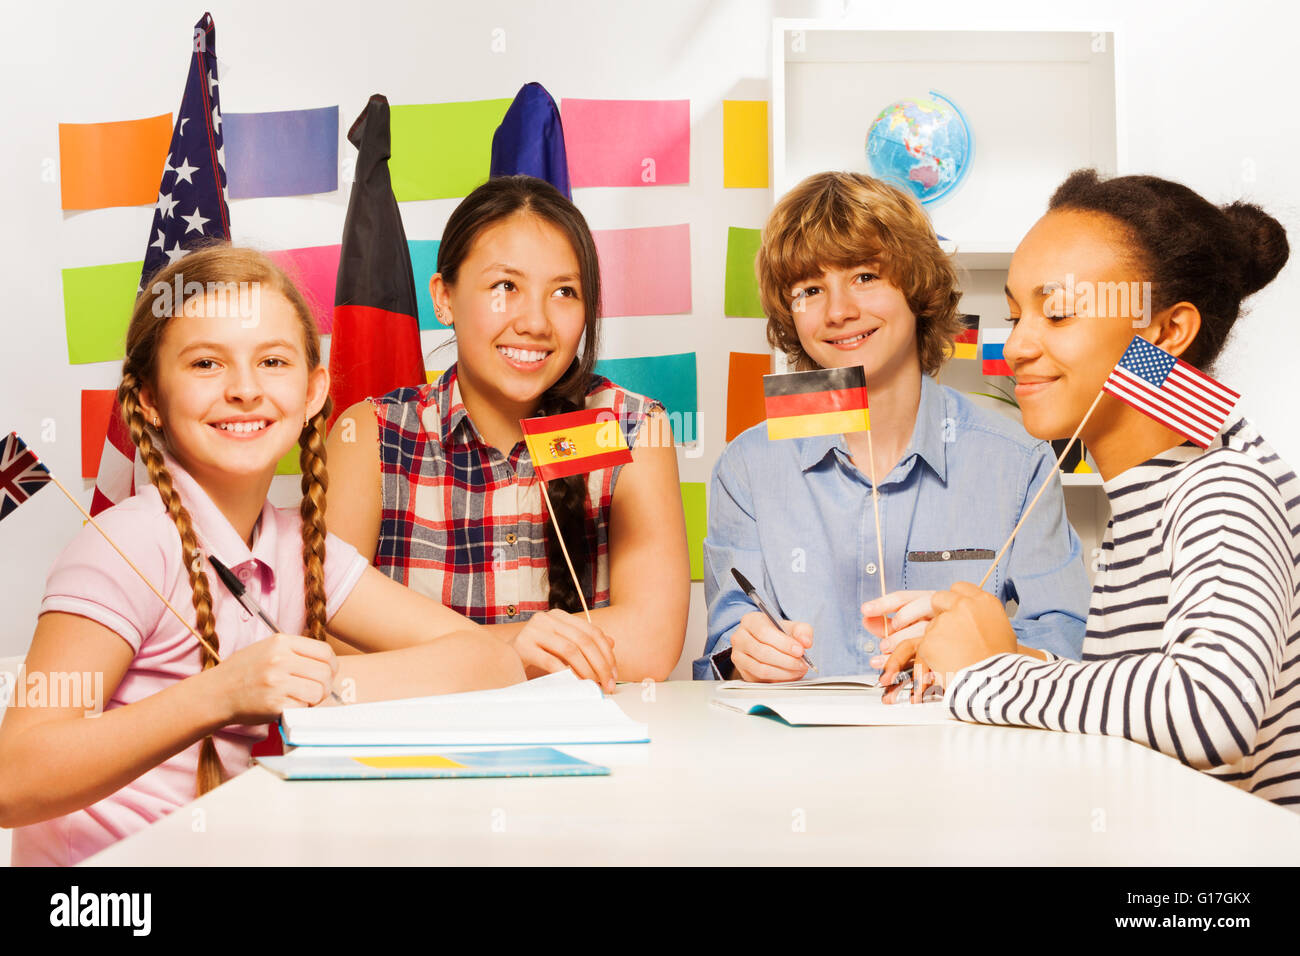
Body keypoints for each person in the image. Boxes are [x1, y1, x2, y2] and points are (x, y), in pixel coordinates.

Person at [0, 246, 529, 866]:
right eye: (205, 363)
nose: (245, 390)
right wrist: (221, 694)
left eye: (272, 362)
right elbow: (14, 778)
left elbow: (488, 663)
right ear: (147, 398)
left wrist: (318, 685)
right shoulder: (127, 545)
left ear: (312, 392)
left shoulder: (300, 545)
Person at [874, 169, 1299, 808]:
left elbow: (1213, 713)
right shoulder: (1152, 490)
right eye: (1017, 314)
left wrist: (987, 674)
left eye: (1059, 312)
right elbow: (1143, 705)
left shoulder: (1223, 485)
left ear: (1163, 333)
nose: (1015, 347)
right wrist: (1009, 651)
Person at [697, 171, 1089, 681]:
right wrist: (740, 656)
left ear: (918, 288)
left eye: (865, 277)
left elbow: (1070, 640)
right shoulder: (747, 466)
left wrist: (991, 647)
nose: (839, 311)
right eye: (810, 289)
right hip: (798, 755)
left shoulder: (1019, 462)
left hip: (959, 747)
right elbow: (719, 659)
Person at [327, 176, 689, 684]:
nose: (536, 322)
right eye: (505, 287)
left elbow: (649, 644)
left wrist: (445, 655)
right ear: (444, 298)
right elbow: (334, 640)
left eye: (564, 291)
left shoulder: (631, 429)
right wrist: (518, 648)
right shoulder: (371, 435)